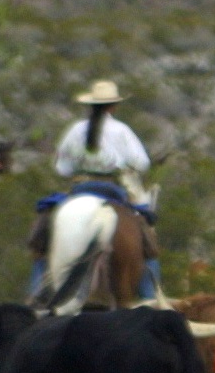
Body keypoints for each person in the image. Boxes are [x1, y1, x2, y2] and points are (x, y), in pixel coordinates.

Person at [33, 80, 163, 297]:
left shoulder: (75, 130)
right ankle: (150, 295)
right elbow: (142, 163)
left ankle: (36, 293)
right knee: (145, 232)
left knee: (43, 237)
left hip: (81, 187)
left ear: (90, 105)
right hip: (113, 188)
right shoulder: (122, 130)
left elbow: (61, 168)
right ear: (113, 106)